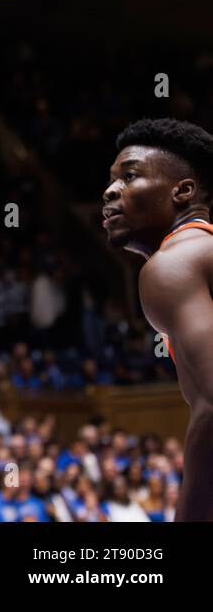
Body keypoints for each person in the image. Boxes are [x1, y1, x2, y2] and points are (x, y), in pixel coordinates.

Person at [103, 118, 213, 520]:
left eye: (129, 176)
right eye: (112, 179)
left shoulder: (174, 264)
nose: (110, 190)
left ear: (182, 191)